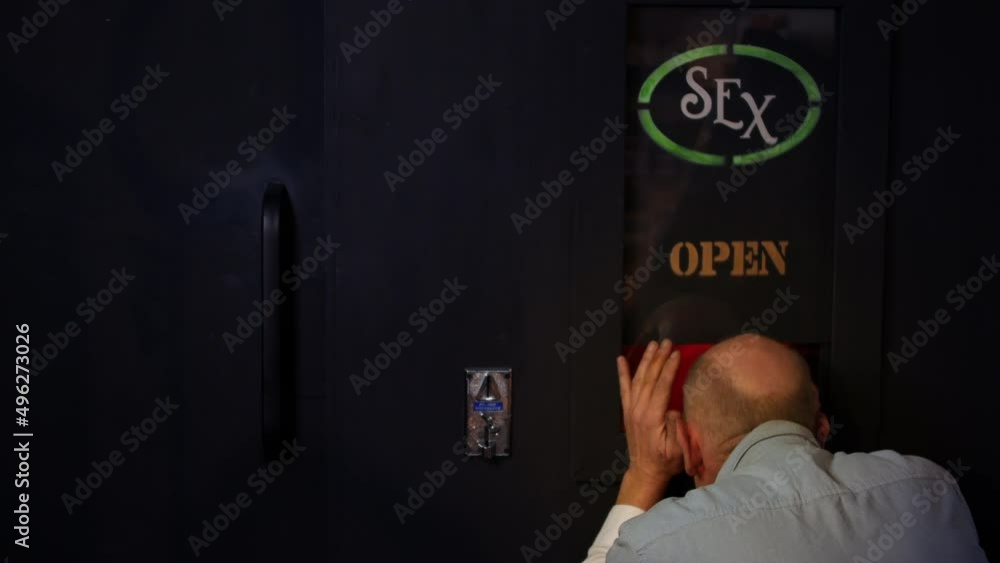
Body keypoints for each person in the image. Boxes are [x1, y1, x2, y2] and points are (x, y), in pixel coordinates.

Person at [584, 335, 988, 562]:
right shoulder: (931, 492)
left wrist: (644, 473)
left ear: (691, 449)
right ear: (822, 428)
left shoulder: (656, 546)